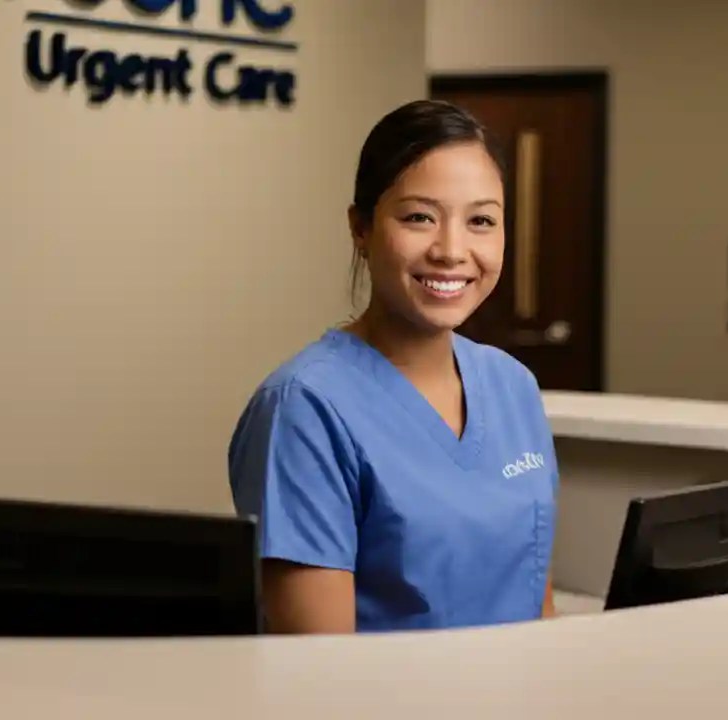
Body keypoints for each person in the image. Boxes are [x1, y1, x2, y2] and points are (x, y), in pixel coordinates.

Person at [228, 99, 559, 634]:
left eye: (481, 221)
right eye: (419, 217)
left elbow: (538, 611)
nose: (452, 250)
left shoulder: (512, 386)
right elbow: (319, 669)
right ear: (361, 227)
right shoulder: (305, 409)